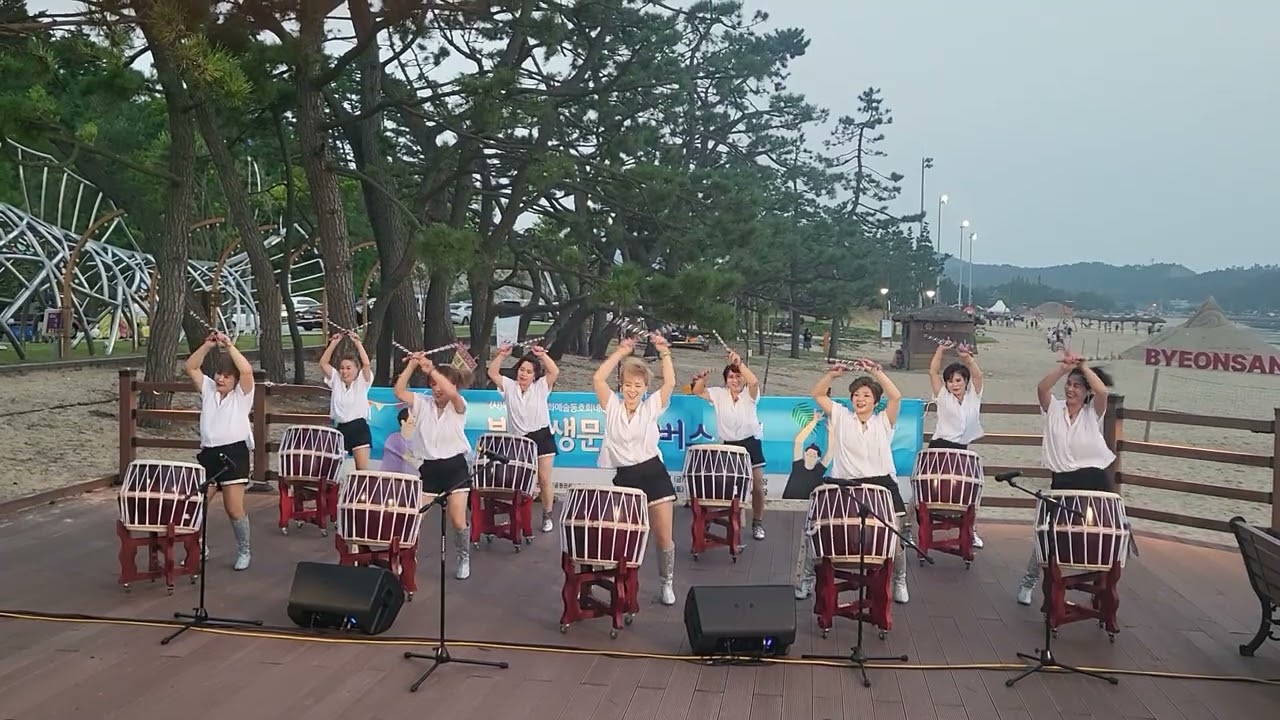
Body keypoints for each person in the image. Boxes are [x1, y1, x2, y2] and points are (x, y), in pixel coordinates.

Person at [795, 359, 911, 604]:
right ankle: (806, 578)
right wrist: (832, 375)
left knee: (895, 536)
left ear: (875, 401)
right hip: (844, 484)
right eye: (856, 395)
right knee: (815, 529)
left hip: (882, 484)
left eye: (866, 395)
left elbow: (896, 397)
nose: (860, 399)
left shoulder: (884, 421)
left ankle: (899, 579)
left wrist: (876, 372)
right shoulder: (841, 415)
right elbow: (817, 394)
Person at [1015, 351, 1116, 606]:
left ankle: (1099, 589)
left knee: (1098, 536)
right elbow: (1042, 388)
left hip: (1094, 482)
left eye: (1077, 386)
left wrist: (1084, 366)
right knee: (1049, 534)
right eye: (1068, 385)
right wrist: (1063, 369)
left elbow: (1102, 392)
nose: (1070, 390)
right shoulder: (1054, 409)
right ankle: (1029, 582)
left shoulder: (1093, 413)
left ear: (1086, 391)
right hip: (1063, 481)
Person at [592, 332, 679, 605]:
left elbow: (670, 383)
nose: (632, 390)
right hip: (626, 477)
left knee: (663, 536)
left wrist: (664, 352)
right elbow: (598, 379)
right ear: (622, 385)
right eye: (628, 384)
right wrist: (621, 352)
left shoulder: (651, 407)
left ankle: (667, 583)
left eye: (637, 386)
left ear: (644, 388)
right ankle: (625, 587)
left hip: (654, 474)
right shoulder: (612, 406)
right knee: (626, 539)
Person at [393, 353, 475, 580]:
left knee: (457, 519)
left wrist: (431, 370)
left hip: (455, 468)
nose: (438, 389)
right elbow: (399, 392)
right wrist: (412, 365)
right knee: (414, 517)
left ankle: (463, 557)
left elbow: (451, 393)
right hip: (429, 468)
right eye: (433, 384)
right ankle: (405, 559)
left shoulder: (459, 405)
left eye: (442, 384)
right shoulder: (421, 403)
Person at [185, 332, 255, 571]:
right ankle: (199, 547)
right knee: (197, 504)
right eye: (219, 374)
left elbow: (246, 371)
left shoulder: (242, 396)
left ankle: (244, 550)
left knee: (233, 508)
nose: (221, 379)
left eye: (226, 376)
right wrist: (207, 346)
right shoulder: (208, 389)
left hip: (234, 455)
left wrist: (229, 346)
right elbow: (191, 367)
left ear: (234, 380)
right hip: (209, 454)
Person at [690, 349, 768, 540]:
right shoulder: (719, 394)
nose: (735, 380)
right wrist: (701, 379)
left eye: (738, 376)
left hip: (750, 443)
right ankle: (711, 519)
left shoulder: (750, 394)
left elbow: (754, 382)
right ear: (726, 380)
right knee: (721, 486)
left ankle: (757, 522)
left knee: (757, 485)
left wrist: (740, 364)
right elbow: (697, 391)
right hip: (728, 446)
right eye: (731, 377)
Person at [486, 342, 561, 533]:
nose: (524, 374)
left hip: (542, 436)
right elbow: (492, 373)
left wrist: (542, 355)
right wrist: (502, 355)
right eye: (521, 370)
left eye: (528, 371)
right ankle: (518, 517)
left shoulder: (541, 387)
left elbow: (554, 372)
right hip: (520, 441)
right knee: (521, 481)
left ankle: (547, 515)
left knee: (544, 478)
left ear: (534, 375)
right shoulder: (509, 386)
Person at [926, 339, 986, 548]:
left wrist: (967, 358)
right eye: (950, 381)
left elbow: (978, 376)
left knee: (971, 490)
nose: (954, 385)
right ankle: (913, 527)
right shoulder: (943, 396)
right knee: (929, 490)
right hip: (940, 448)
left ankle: (972, 530)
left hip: (962, 450)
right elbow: (933, 373)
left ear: (965, 381)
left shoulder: (974, 397)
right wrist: (940, 351)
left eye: (958, 380)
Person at [320, 331, 374, 470]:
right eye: (342, 368)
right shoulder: (336, 380)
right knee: (331, 470)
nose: (345, 372)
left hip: (359, 428)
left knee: (361, 470)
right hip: (340, 428)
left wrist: (357, 343)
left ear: (356, 369)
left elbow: (366, 364)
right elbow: (323, 363)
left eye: (349, 368)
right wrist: (334, 343)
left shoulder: (362, 382)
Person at [782, 409, 827, 501]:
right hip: (789, 503)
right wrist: (814, 422)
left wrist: (833, 430)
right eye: (809, 454)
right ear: (805, 454)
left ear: (818, 458)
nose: (811, 456)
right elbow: (799, 440)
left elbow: (831, 452)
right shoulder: (798, 464)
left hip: (811, 505)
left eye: (814, 455)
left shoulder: (819, 470)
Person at [380, 407, 420, 476]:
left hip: (411, 479)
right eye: (413, 417)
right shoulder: (393, 438)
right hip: (391, 477)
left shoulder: (418, 441)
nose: (415, 421)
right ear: (403, 422)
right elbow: (407, 456)